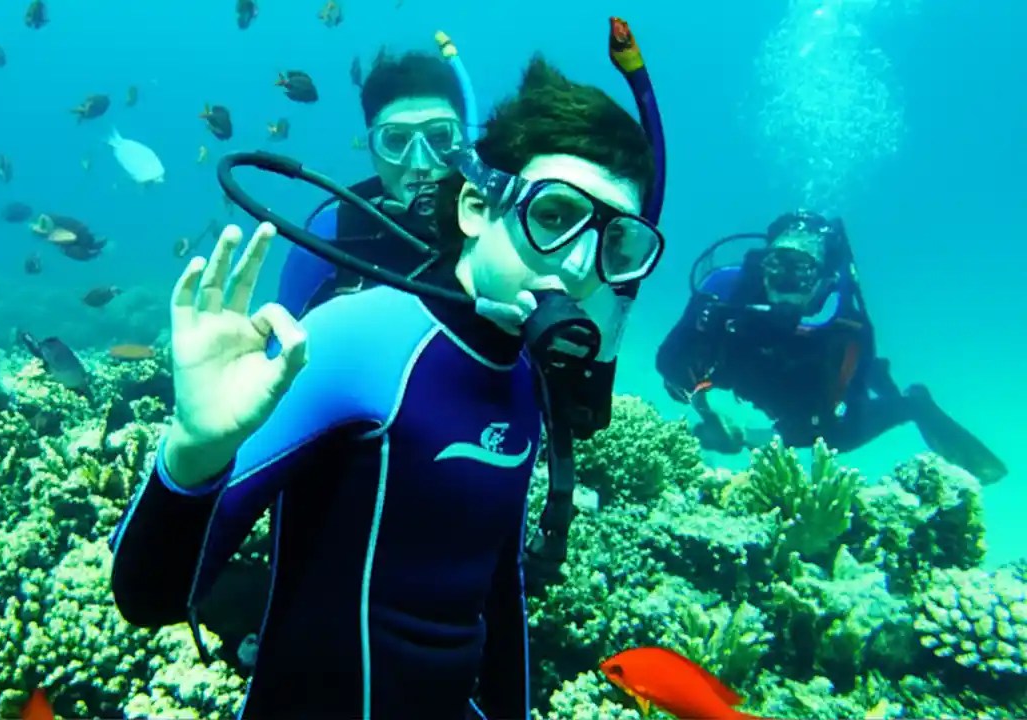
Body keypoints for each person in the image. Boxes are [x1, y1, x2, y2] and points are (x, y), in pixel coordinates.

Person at [108, 55, 665, 719]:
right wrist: (193, 452)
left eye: (614, 243)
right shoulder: (354, 340)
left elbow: (502, 594)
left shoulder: (526, 374)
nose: (579, 264)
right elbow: (149, 598)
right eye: (553, 214)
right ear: (476, 206)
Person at [655, 210, 1006, 483]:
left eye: (802, 272)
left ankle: (912, 403)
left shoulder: (846, 324)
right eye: (776, 267)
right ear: (763, 265)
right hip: (737, 383)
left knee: (836, 440)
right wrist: (707, 405)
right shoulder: (725, 292)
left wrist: (782, 432)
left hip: (804, 396)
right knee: (685, 388)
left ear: (823, 279)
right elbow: (669, 362)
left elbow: (850, 413)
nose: (785, 283)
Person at [275, 48, 470, 319]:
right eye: (396, 141)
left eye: (439, 138)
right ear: (373, 152)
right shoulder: (334, 232)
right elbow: (281, 330)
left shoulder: (503, 218)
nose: (420, 163)